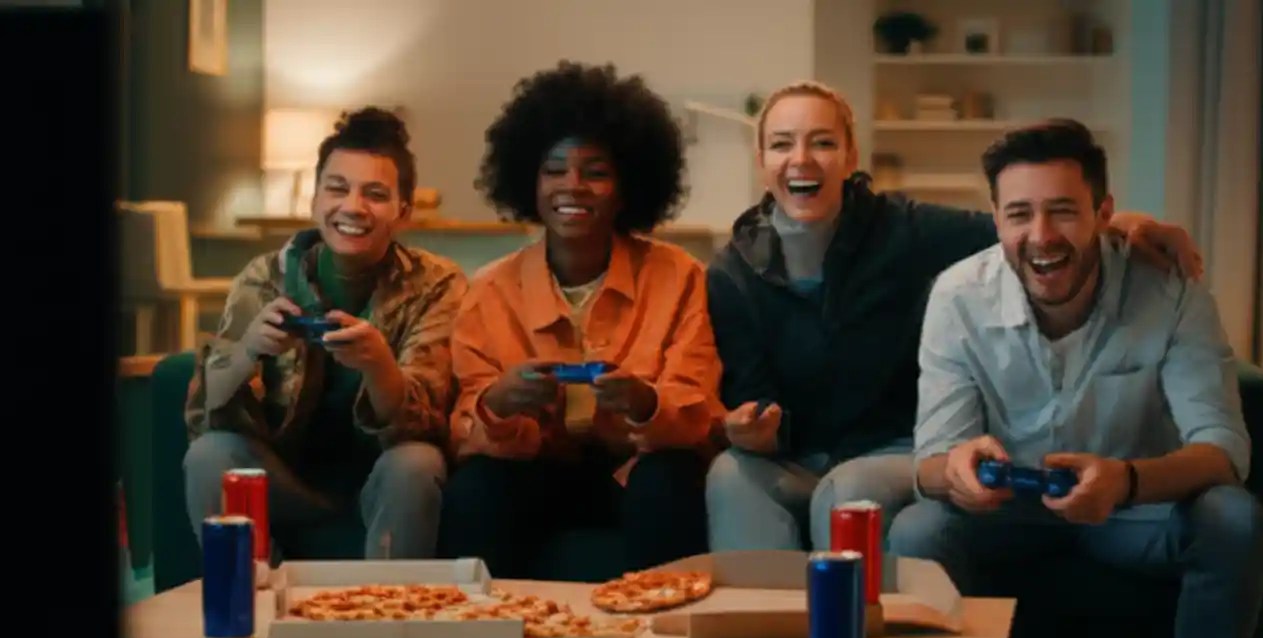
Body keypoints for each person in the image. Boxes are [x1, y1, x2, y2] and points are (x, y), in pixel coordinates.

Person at [703, 81, 1204, 552]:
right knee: (730, 473)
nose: (801, 159)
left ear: (851, 156)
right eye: (782, 144)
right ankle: (759, 634)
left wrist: (1124, 224)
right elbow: (749, 390)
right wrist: (752, 428)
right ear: (762, 160)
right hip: (792, 457)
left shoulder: (905, 230)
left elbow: (1023, 227)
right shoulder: (732, 271)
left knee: (850, 489)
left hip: (891, 450)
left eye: (822, 142)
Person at [888, 119, 1263, 638]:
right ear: (995, 218)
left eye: (1063, 211)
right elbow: (933, 459)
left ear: (1103, 212)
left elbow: (1224, 451)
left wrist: (1126, 479)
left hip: (1134, 511)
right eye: (1019, 214)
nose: (1041, 236)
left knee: (1235, 518)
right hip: (1009, 510)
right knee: (915, 532)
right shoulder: (957, 296)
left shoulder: (1172, 292)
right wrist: (955, 470)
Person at [438, 61, 722, 578]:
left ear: (626, 187)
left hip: (635, 471)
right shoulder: (490, 291)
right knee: (476, 487)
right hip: (534, 469)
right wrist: (499, 403)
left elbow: (698, 406)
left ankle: (663, 632)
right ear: (529, 181)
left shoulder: (680, 277)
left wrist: (645, 401)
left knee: (669, 478)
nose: (573, 186)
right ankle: (478, 634)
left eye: (595, 172)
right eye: (554, 170)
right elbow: (466, 426)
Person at [183, 107, 468, 560]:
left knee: (416, 462)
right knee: (209, 456)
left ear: (403, 212)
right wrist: (248, 352)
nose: (353, 207)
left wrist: (379, 365)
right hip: (287, 480)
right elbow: (203, 411)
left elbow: (429, 423)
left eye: (375, 194)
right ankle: (249, 603)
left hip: (383, 482)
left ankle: (390, 619)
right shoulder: (266, 276)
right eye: (337, 189)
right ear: (314, 200)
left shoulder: (438, 284)